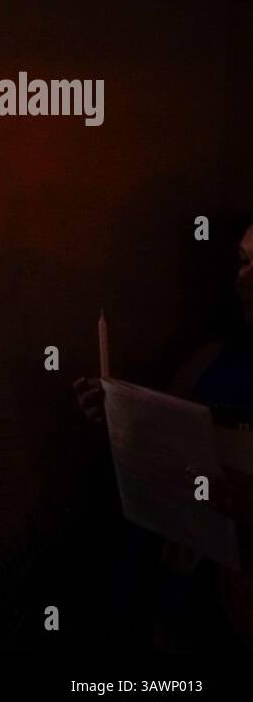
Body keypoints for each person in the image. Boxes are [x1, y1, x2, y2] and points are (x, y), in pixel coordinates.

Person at [74, 214, 253, 650]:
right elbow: (157, 444)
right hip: (174, 587)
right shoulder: (209, 360)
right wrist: (116, 412)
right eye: (244, 261)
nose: (245, 279)